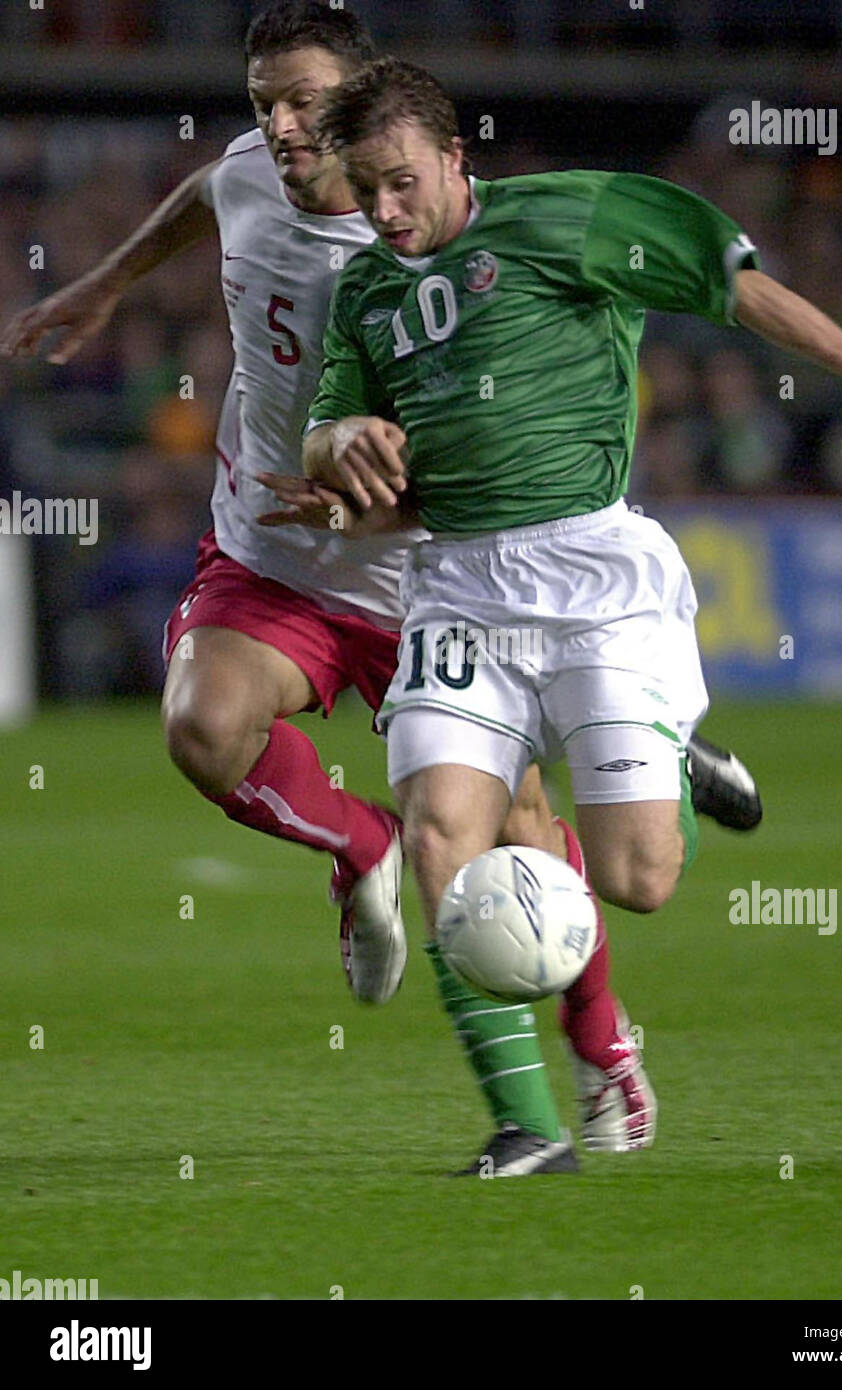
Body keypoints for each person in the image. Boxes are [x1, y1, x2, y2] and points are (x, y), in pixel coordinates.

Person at [0, 3, 759, 1162]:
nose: (283, 127)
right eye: (264, 102)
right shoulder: (252, 170)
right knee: (204, 728)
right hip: (270, 558)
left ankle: (604, 1050)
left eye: (306, 102)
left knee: (515, 853)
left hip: (427, 579)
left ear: (365, 98)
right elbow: (204, 193)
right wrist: (104, 282)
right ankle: (367, 859)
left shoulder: (428, 238)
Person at [265, 56, 842, 1175]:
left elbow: (724, 278)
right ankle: (528, 1125)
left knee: (639, 878)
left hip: (592, 577)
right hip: (453, 587)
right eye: (363, 190)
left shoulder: (569, 216)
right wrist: (336, 458)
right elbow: (335, 434)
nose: (381, 213)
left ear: (453, 157)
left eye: (398, 184)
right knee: (441, 839)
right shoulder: (367, 292)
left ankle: (674, 758)